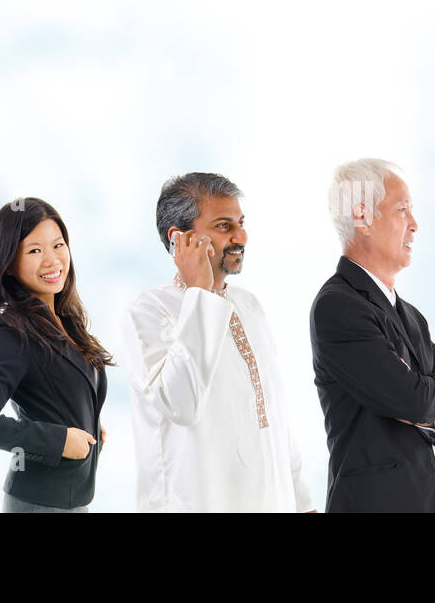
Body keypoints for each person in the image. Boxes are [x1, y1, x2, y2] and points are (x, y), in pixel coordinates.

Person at [121, 173, 313, 512]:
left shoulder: (249, 305)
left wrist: (302, 501)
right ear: (179, 239)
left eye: (240, 223)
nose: (241, 236)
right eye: (224, 226)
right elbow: (182, 404)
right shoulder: (150, 311)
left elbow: (273, 413)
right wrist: (200, 292)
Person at [311, 159, 435, 513]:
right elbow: (413, 399)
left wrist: (427, 398)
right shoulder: (338, 305)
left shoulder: (410, 315)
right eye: (402, 210)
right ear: (362, 217)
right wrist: (424, 395)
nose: (414, 225)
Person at [0, 197, 112, 513]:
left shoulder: (64, 318)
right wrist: (59, 440)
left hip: (70, 498)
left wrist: (88, 420)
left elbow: (59, 385)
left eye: (58, 246)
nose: (52, 260)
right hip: (39, 503)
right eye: (34, 250)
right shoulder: (11, 330)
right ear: (9, 264)